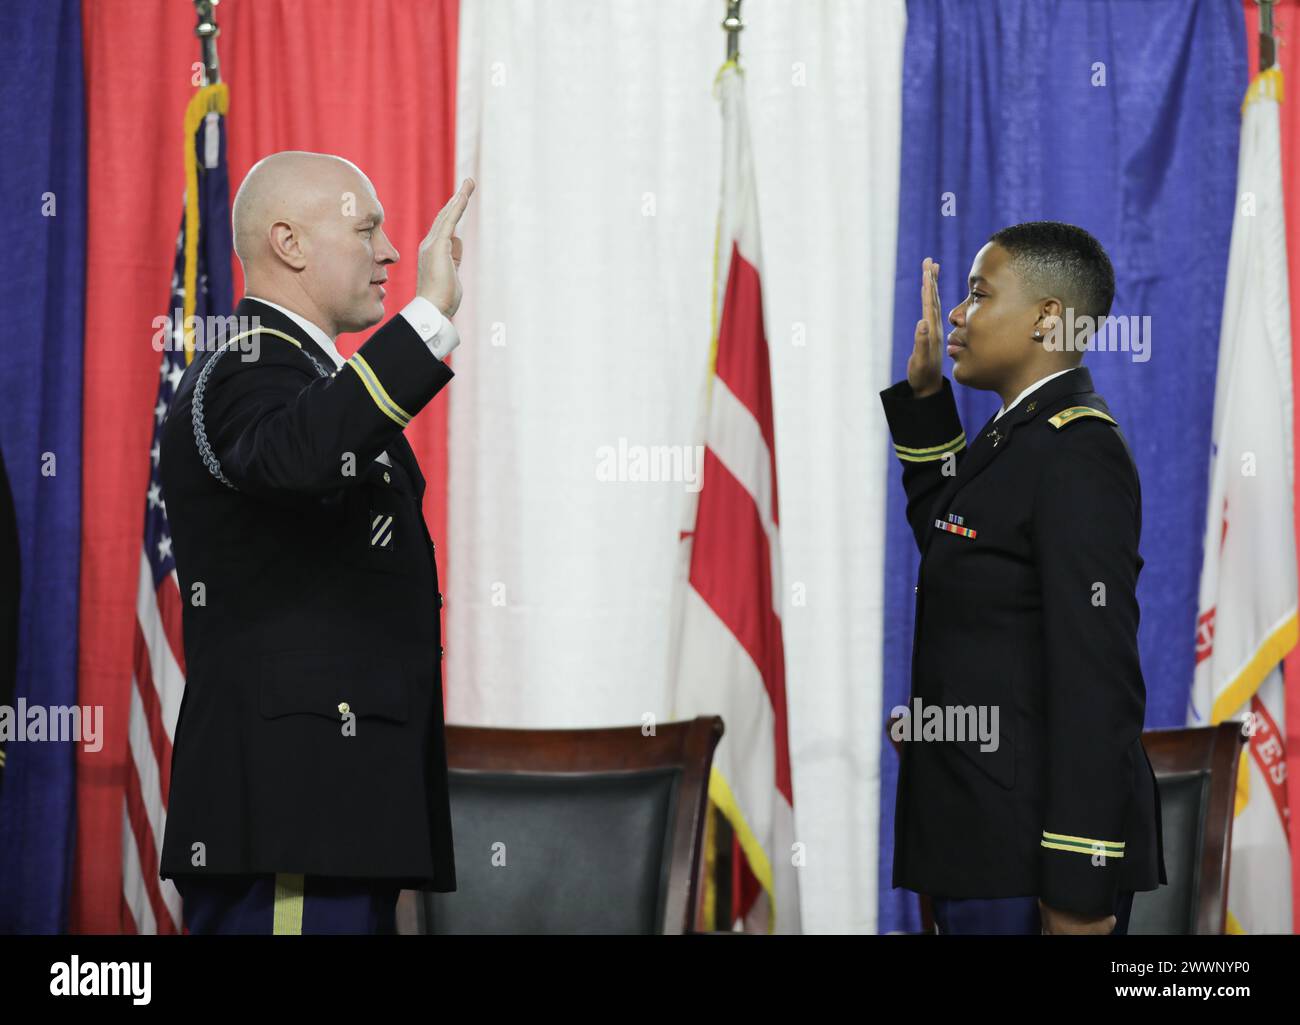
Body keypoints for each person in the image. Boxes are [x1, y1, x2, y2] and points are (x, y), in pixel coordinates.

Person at [158, 151, 474, 934]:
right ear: (289, 244)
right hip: (292, 817)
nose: (393, 253)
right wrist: (427, 318)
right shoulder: (245, 366)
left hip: (338, 814)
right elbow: (300, 453)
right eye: (367, 227)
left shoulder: (305, 375)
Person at [880, 221, 1166, 935]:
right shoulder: (1017, 438)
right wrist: (924, 401)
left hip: (1032, 867)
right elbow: (953, 547)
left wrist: (1081, 880)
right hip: (978, 841)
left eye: (978, 293)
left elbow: (1096, 683)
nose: (956, 312)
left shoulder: (1077, 452)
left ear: (1047, 317)